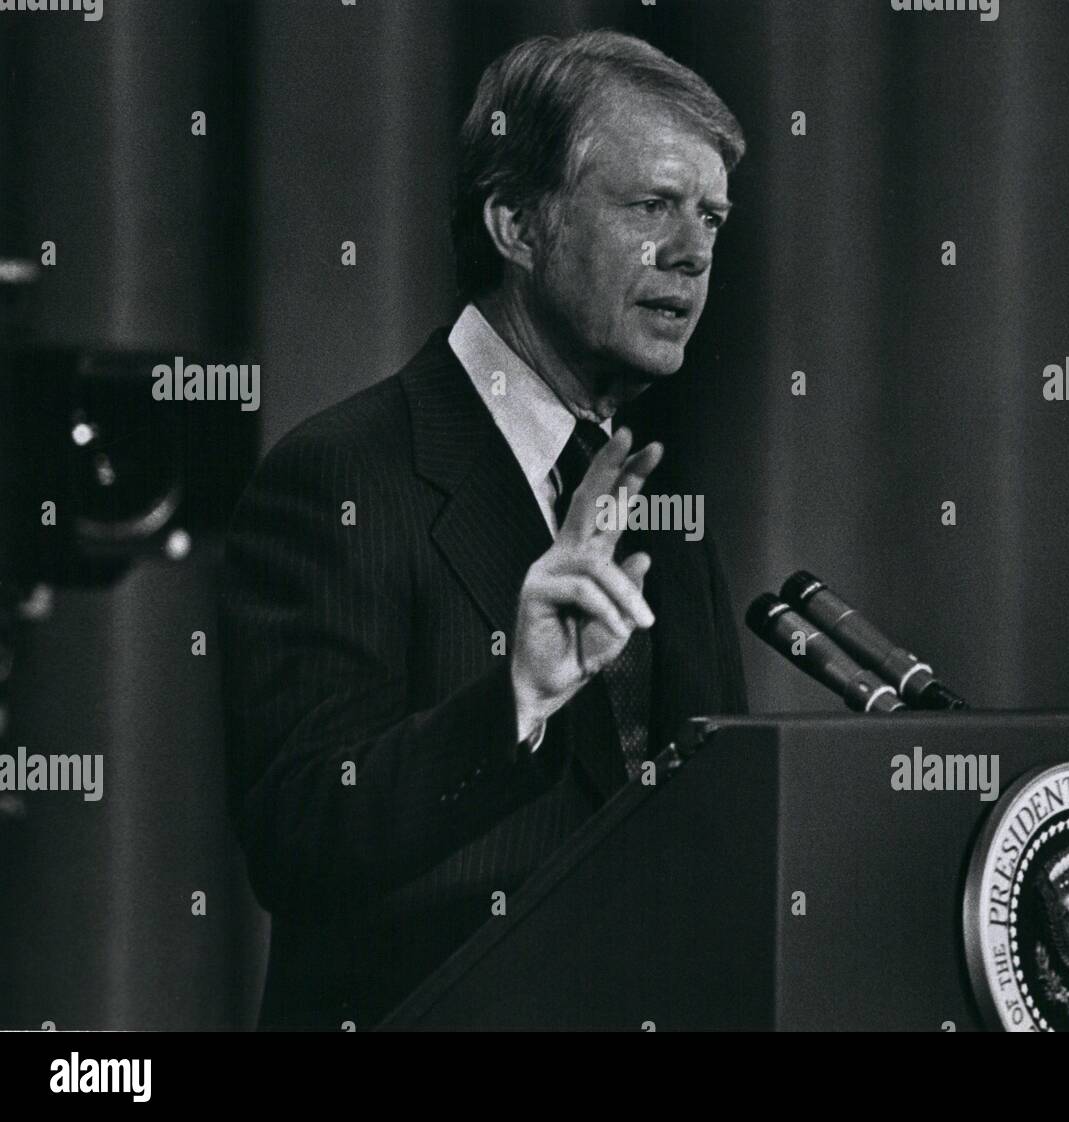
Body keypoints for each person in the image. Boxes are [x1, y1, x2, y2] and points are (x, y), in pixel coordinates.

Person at [220, 29, 748, 1030]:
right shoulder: (341, 473)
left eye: (712, 217)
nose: (692, 252)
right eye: (649, 206)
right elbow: (299, 838)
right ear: (516, 222)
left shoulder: (650, 505)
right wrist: (515, 700)